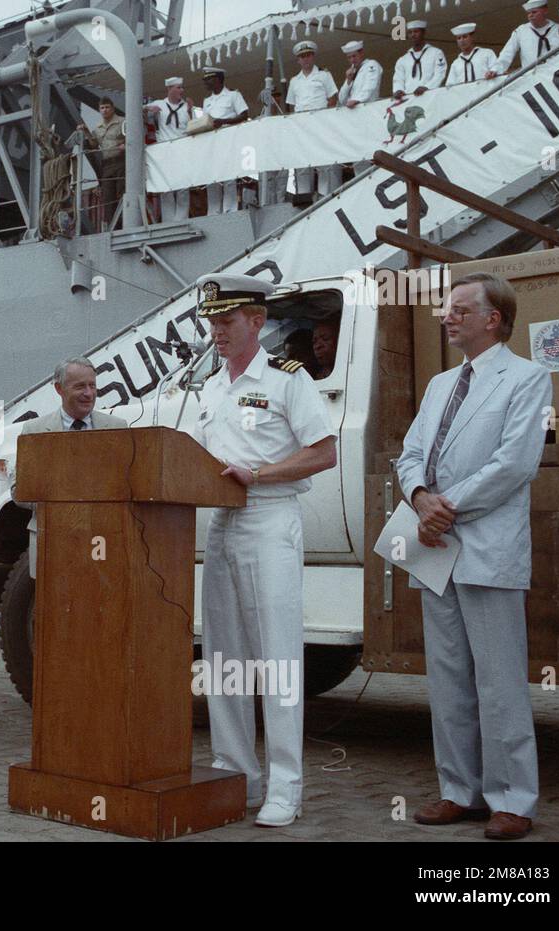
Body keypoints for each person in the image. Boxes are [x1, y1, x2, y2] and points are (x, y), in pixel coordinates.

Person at [396, 273, 551, 841]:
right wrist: (418, 497)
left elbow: (516, 463)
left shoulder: (529, 378)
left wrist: (446, 506)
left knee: (499, 678)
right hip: (436, 544)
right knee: (448, 676)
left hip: (484, 542)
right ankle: (459, 790)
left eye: (462, 308)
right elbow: (411, 452)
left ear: (495, 318)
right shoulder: (440, 385)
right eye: (447, 308)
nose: (448, 316)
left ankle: (512, 798)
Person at [189, 274, 337, 827]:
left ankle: (285, 786)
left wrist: (259, 474)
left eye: (227, 320)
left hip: (269, 519)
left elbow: (324, 454)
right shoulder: (208, 388)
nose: (217, 331)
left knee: (277, 658)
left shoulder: (286, 381)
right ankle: (236, 774)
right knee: (224, 657)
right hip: (220, 524)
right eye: (213, 321)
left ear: (257, 321)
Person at [11, 357, 128, 580]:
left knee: (100, 598)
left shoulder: (117, 428)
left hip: (101, 539)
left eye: (92, 386)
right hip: (52, 538)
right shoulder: (34, 431)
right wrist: (65, 498)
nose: (89, 393)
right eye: (80, 386)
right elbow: (20, 491)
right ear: (59, 389)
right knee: (53, 609)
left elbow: (126, 485)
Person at [285, 41, 340, 201]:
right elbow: (291, 105)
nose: (306, 59)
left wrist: (326, 120)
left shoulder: (324, 75)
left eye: (308, 55)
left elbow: (332, 99)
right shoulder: (295, 81)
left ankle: (325, 198)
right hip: (302, 127)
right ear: (298, 60)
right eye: (302, 56)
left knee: (323, 163)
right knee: (303, 166)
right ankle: (304, 199)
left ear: (313, 56)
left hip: (321, 124)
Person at [200, 67, 248, 213]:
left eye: (209, 79)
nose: (206, 82)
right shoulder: (207, 101)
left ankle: (230, 210)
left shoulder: (233, 95)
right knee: (212, 178)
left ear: (219, 79)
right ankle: (213, 212)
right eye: (205, 79)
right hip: (211, 144)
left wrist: (224, 122)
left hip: (229, 142)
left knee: (229, 177)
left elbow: (244, 115)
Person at [147, 77, 192, 221]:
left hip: (183, 149)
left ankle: (182, 218)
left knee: (183, 186)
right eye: (178, 87)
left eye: (182, 87)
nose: (182, 90)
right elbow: (140, 110)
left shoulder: (186, 107)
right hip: (165, 151)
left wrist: (191, 112)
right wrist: (149, 110)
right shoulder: (159, 104)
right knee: (166, 185)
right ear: (169, 89)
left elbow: (194, 126)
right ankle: (168, 219)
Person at [83, 97, 126, 230]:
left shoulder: (122, 122)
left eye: (107, 107)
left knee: (122, 193)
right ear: (99, 110)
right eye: (102, 108)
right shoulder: (98, 128)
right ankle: (113, 227)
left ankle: (125, 224)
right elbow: (94, 144)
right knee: (108, 198)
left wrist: (125, 144)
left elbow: (131, 136)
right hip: (107, 165)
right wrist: (85, 132)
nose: (105, 110)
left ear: (112, 108)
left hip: (121, 161)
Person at [491, 1, 559, 78]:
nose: (530, 15)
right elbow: (507, 53)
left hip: (556, 74)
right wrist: (495, 70)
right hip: (531, 77)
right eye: (528, 13)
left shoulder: (558, 29)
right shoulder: (520, 31)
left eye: (534, 12)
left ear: (545, 11)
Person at [392, 21, 447, 99]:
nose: (413, 35)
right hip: (409, 98)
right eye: (410, 32)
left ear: (423, 33)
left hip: (430, 96)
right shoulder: (403, 60)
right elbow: (398, 79)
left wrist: (426, 87)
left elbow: (440, 74)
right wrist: (398, 90)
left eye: (416, 31)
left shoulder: (436, 53)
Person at [338, 40, 383, 108]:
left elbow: (370, 86)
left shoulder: (371, 64)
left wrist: (357, 100)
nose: (352, 60)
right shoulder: (352, 72)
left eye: (354, 56)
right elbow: (342, 100)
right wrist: (348, 80)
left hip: (369, 108)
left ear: (361, 53)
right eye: (349, 57)